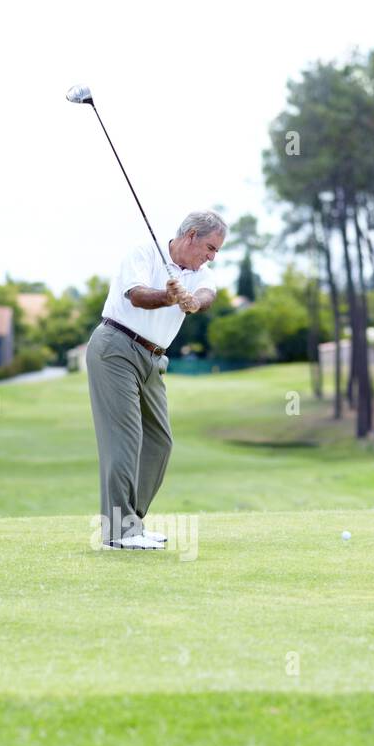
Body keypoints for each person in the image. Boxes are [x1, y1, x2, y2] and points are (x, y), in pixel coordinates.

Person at [87, 209, 227, 549]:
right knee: (125, 440)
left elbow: (208, 296)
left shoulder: (201, 273)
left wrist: (191, 301)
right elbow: (136, 295)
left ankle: (130, 523)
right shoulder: (144, 253)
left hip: (153, 358)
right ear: (191, 235)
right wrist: (168, 296)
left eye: (216, 252)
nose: (211, 256)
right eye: (209, 247)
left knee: (160, 442)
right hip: (115, 347)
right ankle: (117, 533)